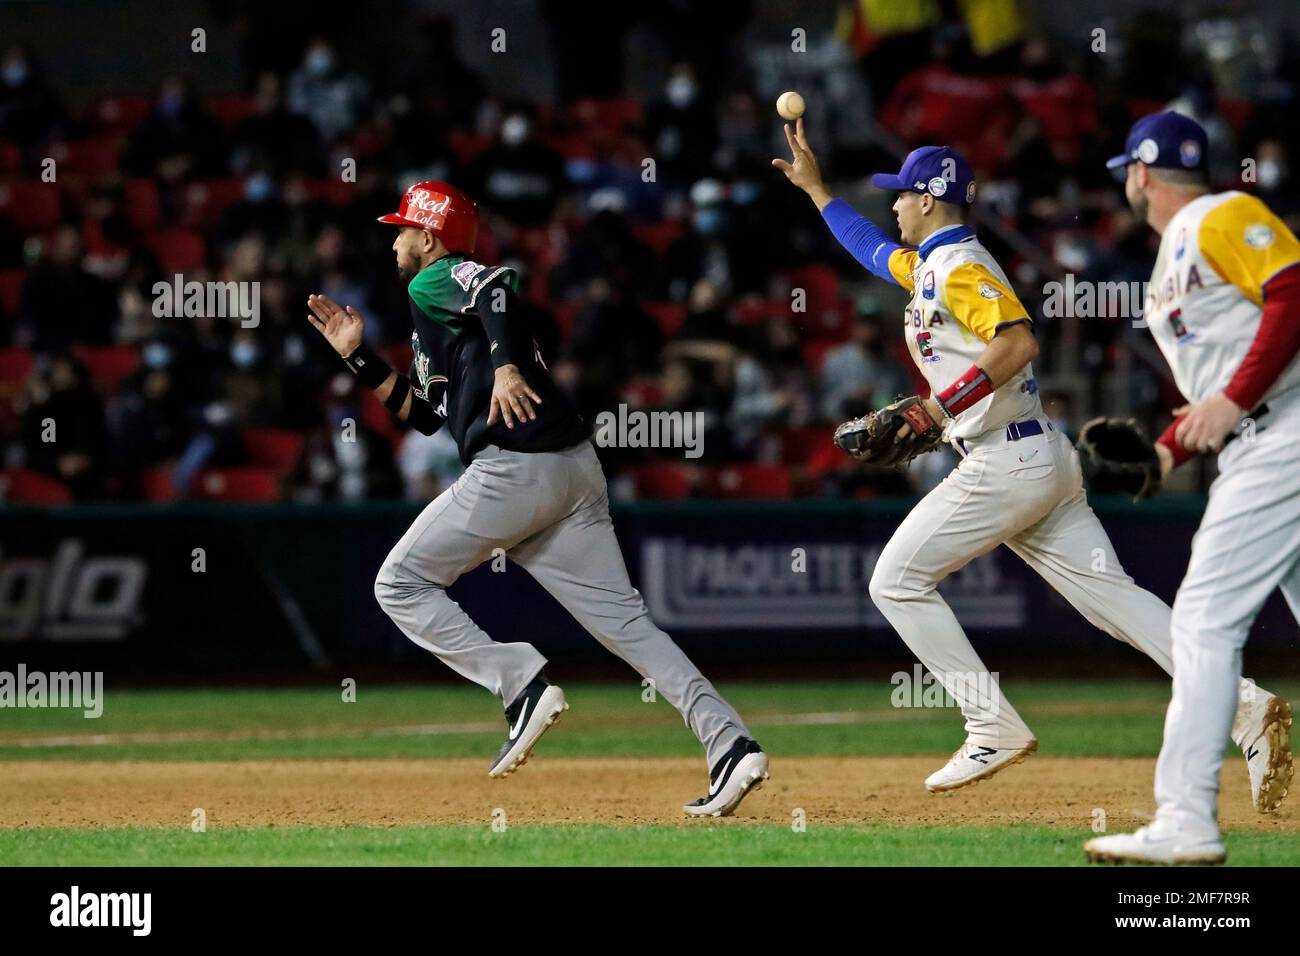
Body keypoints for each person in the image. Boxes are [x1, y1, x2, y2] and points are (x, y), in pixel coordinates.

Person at [772, 120, 1287, 803]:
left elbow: (1017, 342)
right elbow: (869, 248)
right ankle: (1247, 705)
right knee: (1121, 605)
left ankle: (990, 723)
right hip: (1035, 458)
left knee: (895, 582)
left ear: (927, 200)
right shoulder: (932, 262)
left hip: (1004, 462)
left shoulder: (960, 266)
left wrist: (936, 409)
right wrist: (816, 191)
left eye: (900, 194)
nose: (891, 205)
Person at [305, 180, 768, 816]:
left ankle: (519, 683)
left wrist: (507, 366)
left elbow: (498, 286)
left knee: (399, 585)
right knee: (628, 626)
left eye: (404, 228)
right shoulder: (439, 315)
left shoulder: (431, 280)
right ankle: (731, 745)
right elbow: (425, 417)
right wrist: (359, 360)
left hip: (516, 470)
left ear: (430, 238)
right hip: (573, 471)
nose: (395, 238)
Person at [1086, 112, 1300, 865]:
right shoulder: (1171, 264)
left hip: (1285, 437)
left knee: (1203, 620)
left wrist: (1234, 402)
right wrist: (1165, 455)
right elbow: (1212, 400)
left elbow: (1295, 292)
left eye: (1127, 173)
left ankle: (1186, 821)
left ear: (1141, 173)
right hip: (1259, 442)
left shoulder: (1221, 213)